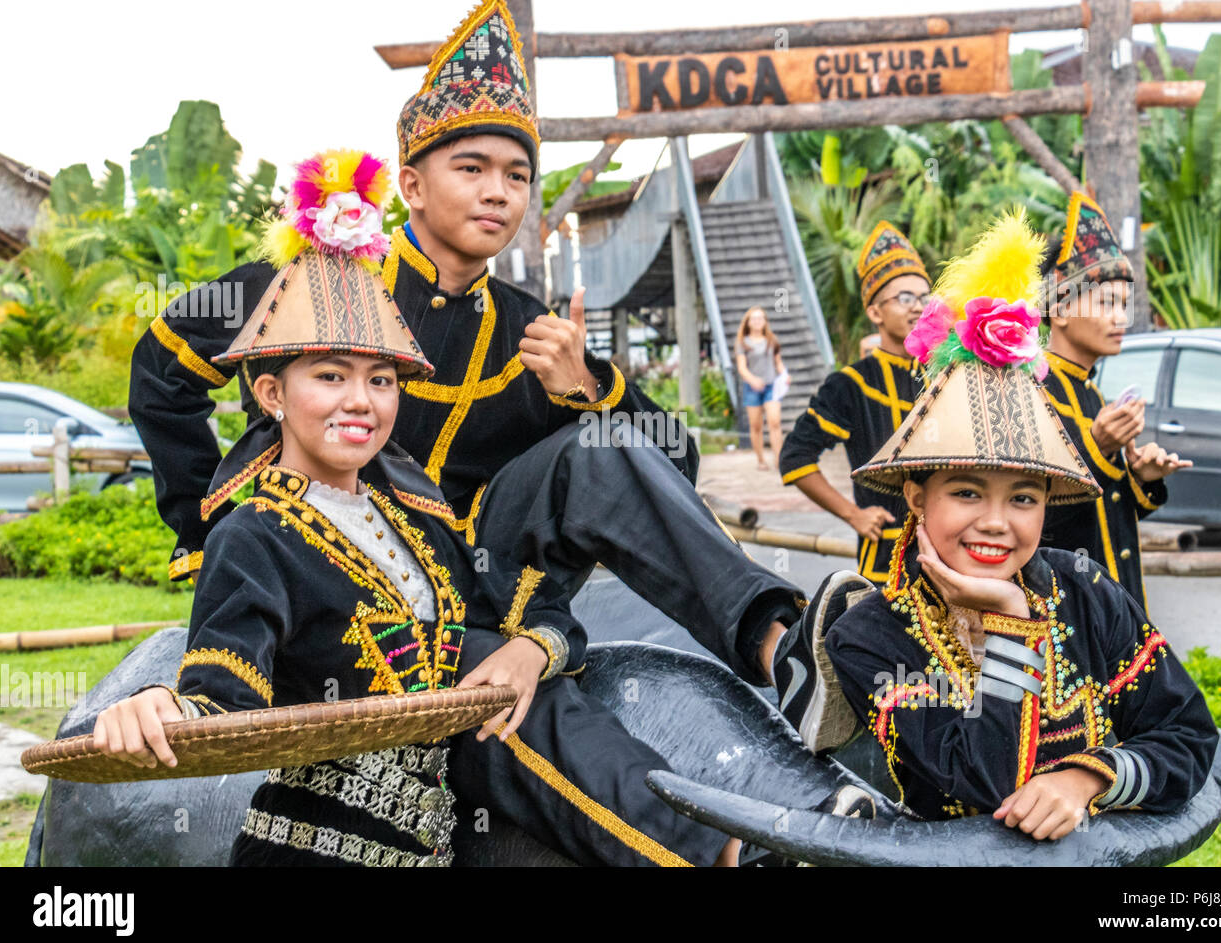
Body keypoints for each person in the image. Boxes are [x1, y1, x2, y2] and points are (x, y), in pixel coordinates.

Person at [129, 3, 802, 727]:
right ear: (412, 186)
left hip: (476, 588)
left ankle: (782, 652)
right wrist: (212, 525)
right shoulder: (315, 277)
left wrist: (591, 390)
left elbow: (674, 463)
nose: (497, 192)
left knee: (599, 447)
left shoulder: (533, 329)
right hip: (330, 570)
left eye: (516, 175)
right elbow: (160, 373)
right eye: (472, 167)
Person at [95, 153, 750, 866]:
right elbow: (224, 696)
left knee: (505, 676)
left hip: (432, 787)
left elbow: (628, 494)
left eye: (381, 379)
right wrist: (166, 695)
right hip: (314, 853)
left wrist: (532, 649)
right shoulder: (256, 533)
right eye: (328, 376)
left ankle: (760, 720)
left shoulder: (427, 516)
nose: (360, 400)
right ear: (272, 395)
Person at [818, 211, 1218, 835]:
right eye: (968, 492)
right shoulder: (870, 636)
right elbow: (979, 781)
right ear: (916, 497)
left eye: (1025, 498)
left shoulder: (1085, 594)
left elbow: (1188, 736)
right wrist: (1009, 617)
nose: (997, 523)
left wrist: (1088, 778)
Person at [1040, 192, 1191, 611]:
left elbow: (1106, 515)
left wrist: (1142, 479)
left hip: (1117, 610)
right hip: (1066, 616)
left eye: (1124, 304)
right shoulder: (1027, 391)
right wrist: (1097, 448)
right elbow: (1030, 519)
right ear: (1060, 308)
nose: (1121, 318)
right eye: (1106, 303)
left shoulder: (1094, 395)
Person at [779, 221, 931, 585]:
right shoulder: (851, 383)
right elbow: (794, 457)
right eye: (905, 298)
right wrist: (853, 514)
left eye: (925, 298)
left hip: (947, 558)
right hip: (885, 566)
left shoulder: (942, 377)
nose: (918, 308)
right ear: (875, 312)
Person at [734, 306, 786, 469]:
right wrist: (753, 380)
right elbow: (742, 368)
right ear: (748, 323)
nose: (757, 321)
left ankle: (778, 458)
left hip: (771, 386)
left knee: (774, 422)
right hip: (752, 388)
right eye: (754, 319)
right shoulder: (742, 343)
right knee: (756, 426)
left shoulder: (772, 340)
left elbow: (778, 362)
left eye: (760, 318)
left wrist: (785, 374)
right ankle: (761, 460)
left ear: (765, 322)